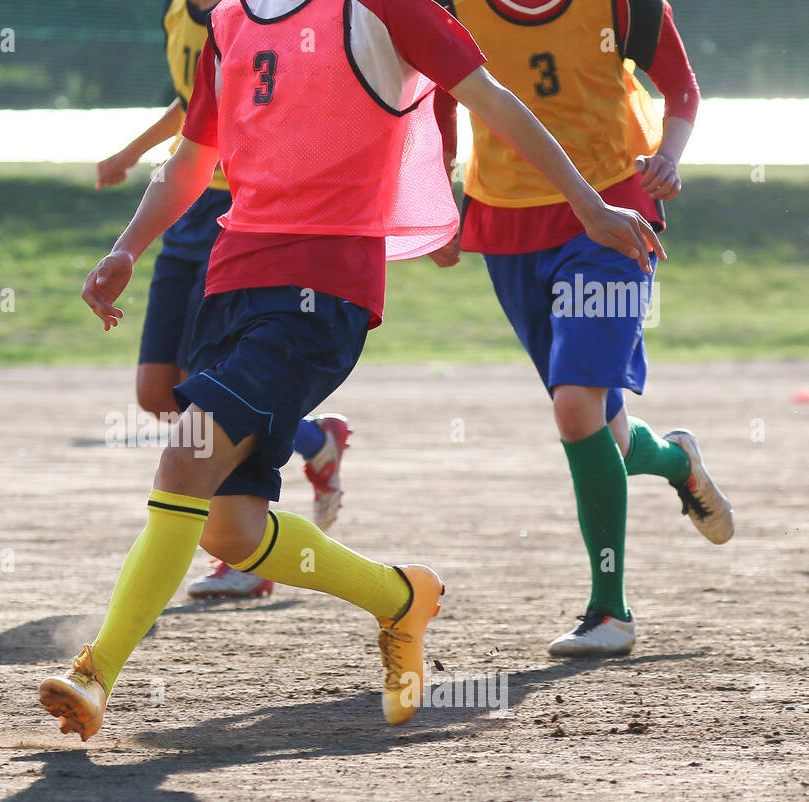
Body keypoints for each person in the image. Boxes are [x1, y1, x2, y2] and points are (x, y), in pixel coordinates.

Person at [40, 0, 662, 741]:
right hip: (230, 283)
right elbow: (192, 158)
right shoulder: (232, 19)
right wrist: (127, 248)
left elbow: (494, 99)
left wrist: (589, 205)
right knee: (231, 531)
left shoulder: (388, 8)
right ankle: (398, 597)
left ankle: (96, 671)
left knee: (186, 454)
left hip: (322, 294)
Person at [431, 0, 733, 658]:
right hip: (507, 226)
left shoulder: (626, 5)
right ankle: (679, 461)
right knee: (606, 435)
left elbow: (680, 89)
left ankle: (609, 611)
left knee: (574, 409)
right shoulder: (452, 6)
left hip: (613, 217)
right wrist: (436, 193)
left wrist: (669, 157)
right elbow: (438, 95)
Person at [96, 0, 352, 600]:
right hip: (185, 202)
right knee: (159, 392)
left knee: (211, 392)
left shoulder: (258, 14)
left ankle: (244, 545)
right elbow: (195, 105)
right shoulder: (177, 15)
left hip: (236, 207)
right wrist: (133, 155)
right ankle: (315, 441)